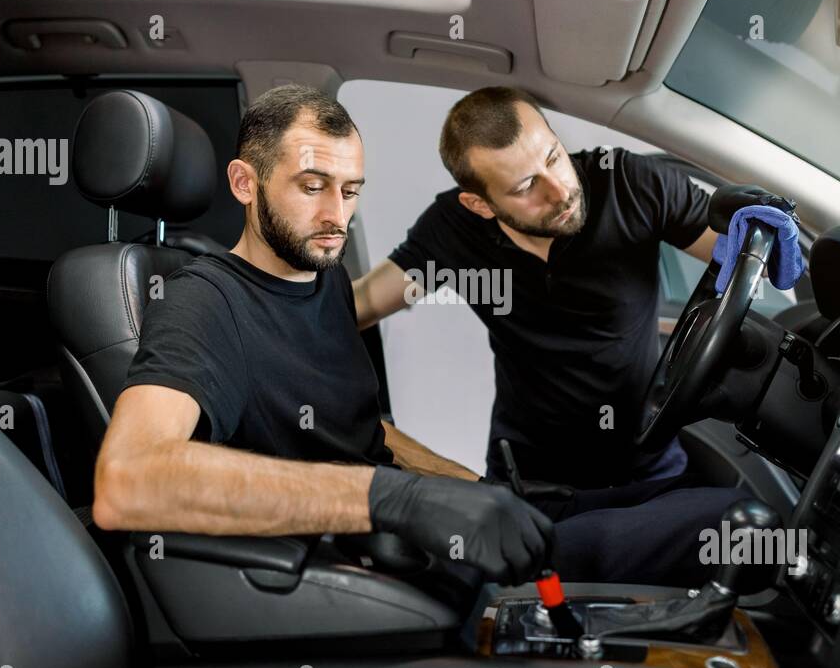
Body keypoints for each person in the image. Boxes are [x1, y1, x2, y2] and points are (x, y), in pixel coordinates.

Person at [93, 84, 554, 588]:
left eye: (350, 190)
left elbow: (359, 433)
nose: (337, 216)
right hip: (330, 578)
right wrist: (393, 500)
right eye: (312, 187)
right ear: (246, 183)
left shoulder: (322, 274)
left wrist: (469, 489)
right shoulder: (204, 301)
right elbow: (127, 480)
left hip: (392, 545)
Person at [355, 85, 732, 489]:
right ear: (480, 205)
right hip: (531, 475)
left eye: (554, 156)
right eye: (525, 187)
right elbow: (361, 304)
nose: (559, 190)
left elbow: (739, 250)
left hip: (645, 461)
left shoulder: (628, 183)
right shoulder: (453, 228)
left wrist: (759, 227)